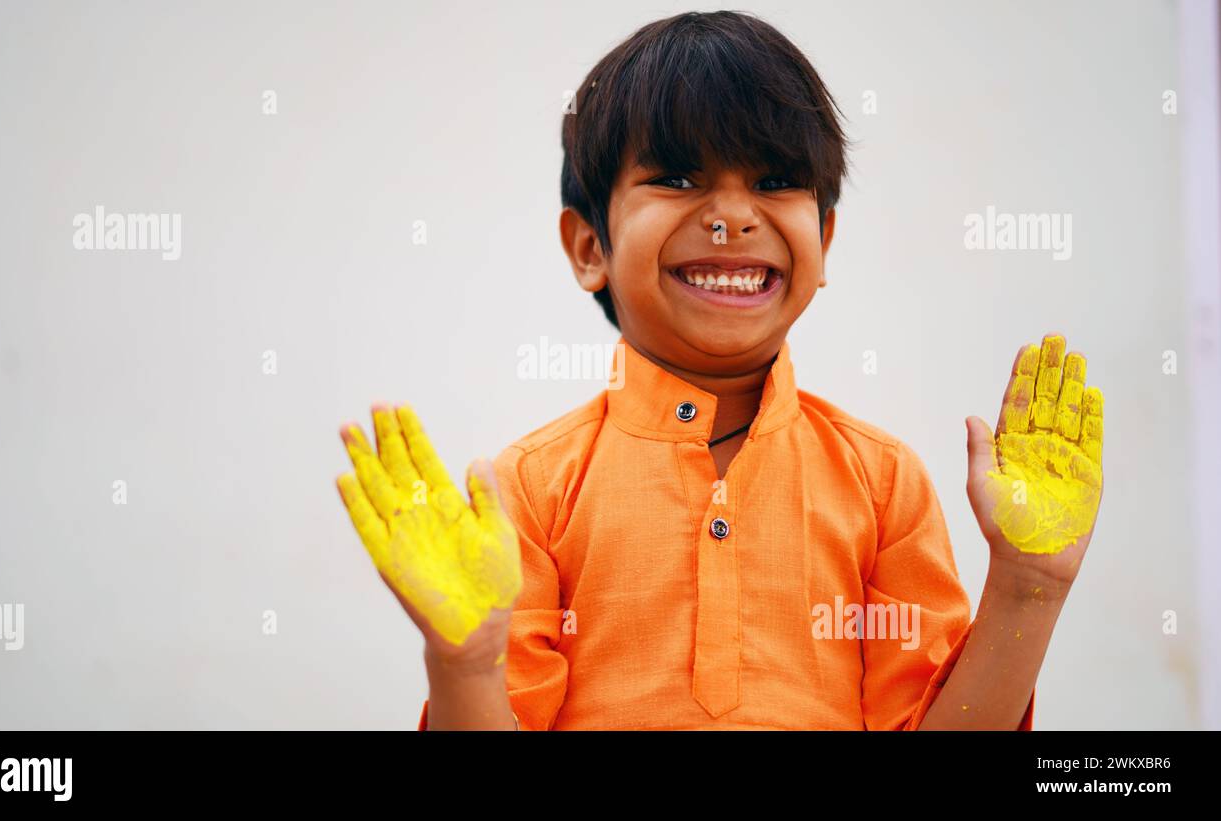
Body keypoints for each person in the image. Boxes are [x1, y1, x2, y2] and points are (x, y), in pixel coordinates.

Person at [335, 10, 1104, 730]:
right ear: (589, 247)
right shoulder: (533, 489)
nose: (732, 215)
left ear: (824, 240)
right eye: (676, 177)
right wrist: (463, 659)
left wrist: (1028, 584)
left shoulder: (883, 482)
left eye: (773, 182)